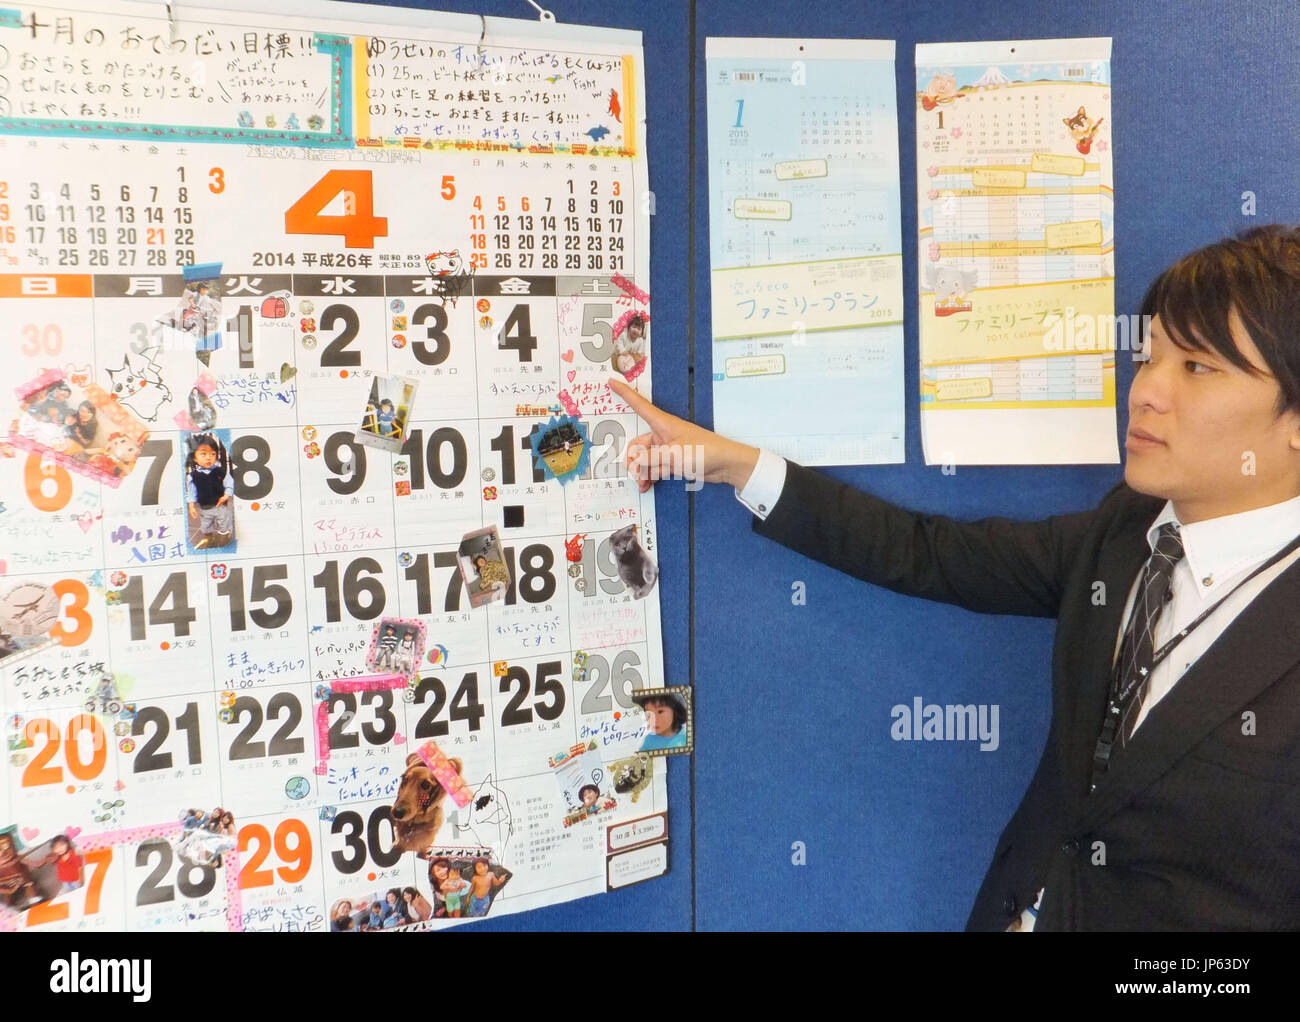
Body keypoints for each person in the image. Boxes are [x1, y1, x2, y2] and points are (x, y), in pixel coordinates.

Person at [609, 225, 1300, 931]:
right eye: (1150, 356)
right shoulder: (1128, 535)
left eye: (1198, 367)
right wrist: (739, 466)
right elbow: (930, 553)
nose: (1146, 391)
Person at [186, 436, 234, 548]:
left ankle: (224, 540)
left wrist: (226, 495)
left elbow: (229, 483)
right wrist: (191, 506)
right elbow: (192, 492)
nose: (209, 458)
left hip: (220, 505)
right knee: (206, 526)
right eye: (203, 454)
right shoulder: (193, 476)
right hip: (204, 508)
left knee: (224, 523)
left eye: (213, 454)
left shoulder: (219, 471)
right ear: (194, 458)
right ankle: (210, 539)